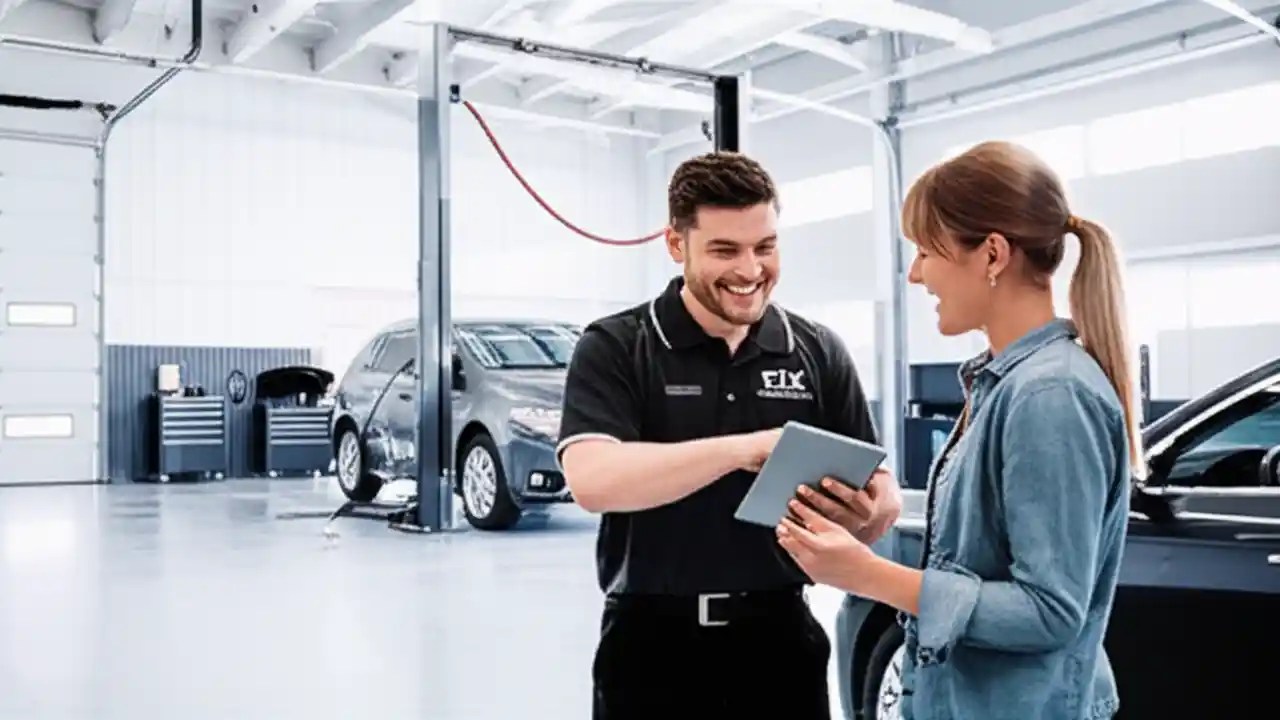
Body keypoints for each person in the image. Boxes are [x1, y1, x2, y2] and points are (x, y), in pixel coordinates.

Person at [776, 140, 1139, 720]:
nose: (916, 274)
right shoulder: (1005, 384)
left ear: (992, 254)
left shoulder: (1050, 395)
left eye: (927, 251)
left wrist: (870, 576)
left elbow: (1049, 611)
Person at [555, 150, 903, 719]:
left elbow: (879, 488)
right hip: (651, 646)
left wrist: (872, 510)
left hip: (781, 640)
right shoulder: (619, 345)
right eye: (725, 250)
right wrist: (747, 449)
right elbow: (593, 481)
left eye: (765, 247)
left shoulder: (817, 350)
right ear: (676, 244)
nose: (749, 270)